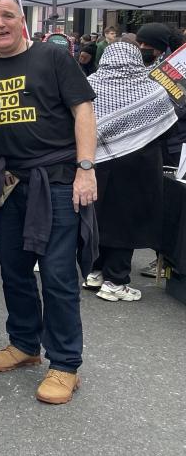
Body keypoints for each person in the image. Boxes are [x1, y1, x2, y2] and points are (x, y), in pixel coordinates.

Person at [0, 0, 98, 406]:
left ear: (21, 20)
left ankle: (65, 363)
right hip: (7, 183)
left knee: (58, 274)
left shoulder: (53, 58)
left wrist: (87, 167)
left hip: (58, 181)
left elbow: (83, 110)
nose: (0, 23)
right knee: (13, 269)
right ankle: (25, 343)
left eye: (7, 15)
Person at [81, 42, 177, 301]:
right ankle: (116, 281)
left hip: (97, 162)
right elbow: (167, 128)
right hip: (139, 167)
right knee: (128, 221)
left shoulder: (90, 84)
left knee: (99, 216)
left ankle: (95, 271)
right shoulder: (151, 90)